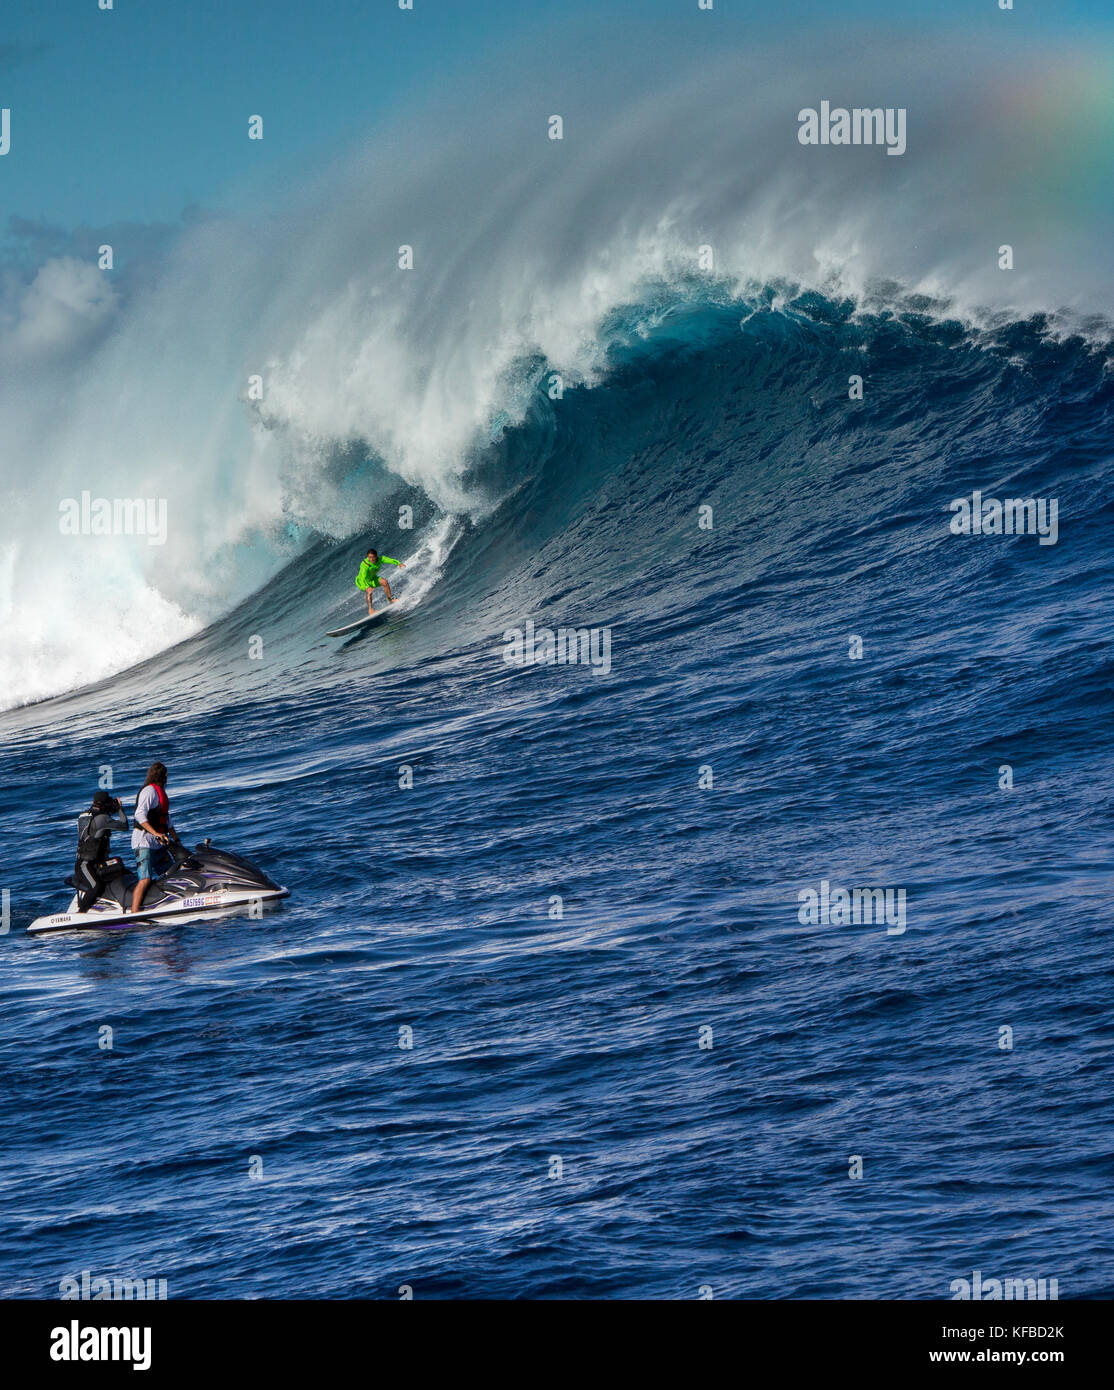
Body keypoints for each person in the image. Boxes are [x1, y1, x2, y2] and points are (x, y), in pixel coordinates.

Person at [130, 761, 180, 913]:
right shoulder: (149, 791)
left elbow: (167, 821)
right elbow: (139, 814)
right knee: (145, 879)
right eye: (165, 775)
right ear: (160, 775)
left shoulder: (161, 793)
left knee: (172, 873)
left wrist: (176, 840)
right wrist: (156, 833)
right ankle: (134, 913)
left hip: (157, 843)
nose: (167, 778)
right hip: (143, 841)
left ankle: (168, 903)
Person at [74, 791, 129, 912]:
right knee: (95, 886)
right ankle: (81, 912)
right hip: (86, 865)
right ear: (104, 804)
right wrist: (119, 808)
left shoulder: (83, 816)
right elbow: (124, 825)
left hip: (94, 863)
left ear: (93, 802)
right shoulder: (102, 818)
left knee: (122, 869)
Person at [355, 547, 404, 614]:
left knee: (384, 582)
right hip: (362, 581)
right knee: (369, 592)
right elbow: (363, 578)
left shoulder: (380, 559)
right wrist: (367, 587)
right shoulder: (365, 564)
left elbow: (389, 560)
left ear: (376, 556)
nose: (371, 559)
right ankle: (370, 610)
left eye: (373, 557)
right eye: (369, 557)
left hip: (372, 578)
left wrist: (398, 563)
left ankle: (391, 600)